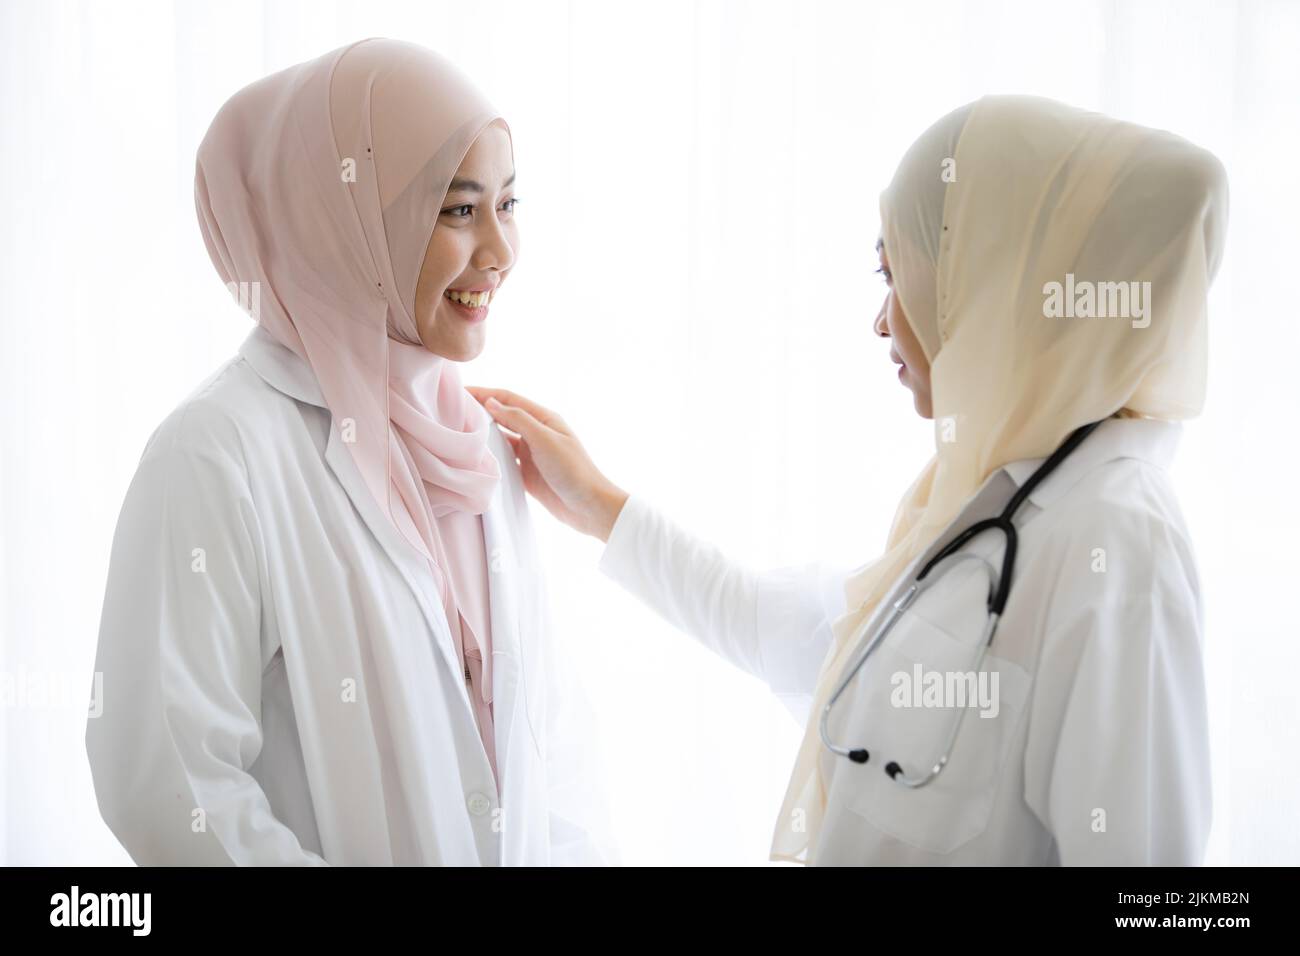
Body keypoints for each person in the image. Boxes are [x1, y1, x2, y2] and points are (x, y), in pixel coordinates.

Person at [470, 94, 1228, 865]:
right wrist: (596, 503)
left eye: (899, 274)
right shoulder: (984, 501)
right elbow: (787, 630)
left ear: (1000, 281)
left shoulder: (1118, 538)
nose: (881, 320)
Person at [86, 38, 613, 866]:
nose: (502, 252)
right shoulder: (216, 454)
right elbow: (167, 785)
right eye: (457, 209)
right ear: (349, 221)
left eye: (508, 204)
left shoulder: (482, 446)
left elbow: (552, 749)